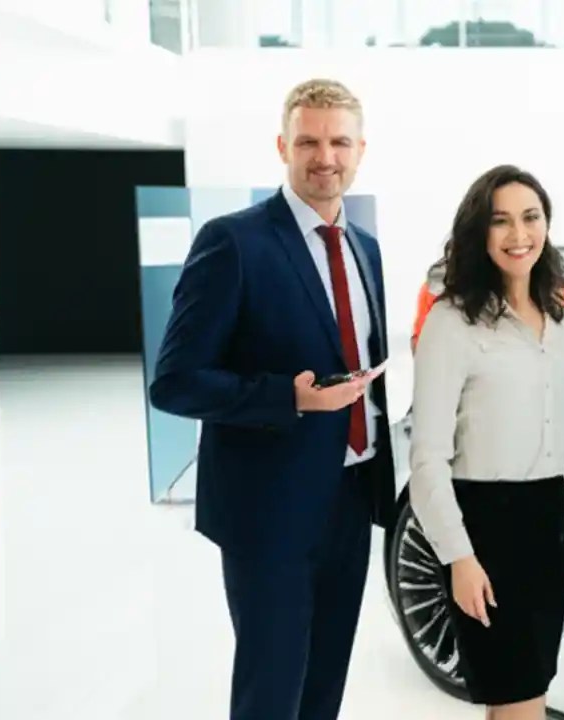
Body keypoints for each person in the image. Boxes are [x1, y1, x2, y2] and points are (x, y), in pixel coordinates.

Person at [148, 78, 396, 720]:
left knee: (324, 689)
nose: (325, 157)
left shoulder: (365, 248)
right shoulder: (234, 242)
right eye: (309, 141)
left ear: (361, 149)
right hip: (269, 512)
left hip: (350, 496)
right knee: (272, 690)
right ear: (282, 145)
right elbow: (175, 379)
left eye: (340, 141)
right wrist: (284, 399)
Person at [408, 164, 564, 720]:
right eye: (500, 221)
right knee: (514, 701)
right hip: (486, 527)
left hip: (546, 518)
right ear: (478, 233)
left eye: (531, 218)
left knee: (532, 693)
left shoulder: (559, 317)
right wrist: (458, 556)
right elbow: (427, 458)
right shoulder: (453, 322)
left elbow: (552, 433)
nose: (518, 234)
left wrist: (563, 528)